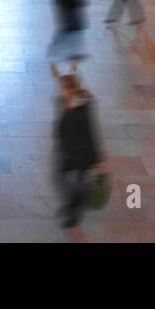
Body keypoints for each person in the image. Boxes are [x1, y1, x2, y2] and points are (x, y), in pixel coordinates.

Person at [52, 66, 102, 230]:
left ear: (71, 89)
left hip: (81, 153)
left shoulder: (82, 108)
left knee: (69, 179)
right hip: (69, 151)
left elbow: (90, 131)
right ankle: (73, 204)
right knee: (64, 178)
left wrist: (96, 158)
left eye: (64, 88)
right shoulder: (68, 103)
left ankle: (74, 210)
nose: (61, 91)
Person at [50, 0, 89, 67]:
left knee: (71, 36)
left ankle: (73, 54)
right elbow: (73, 2)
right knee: (64, 36)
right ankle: (54, 51)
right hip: (70, 17)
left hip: (70, 18)